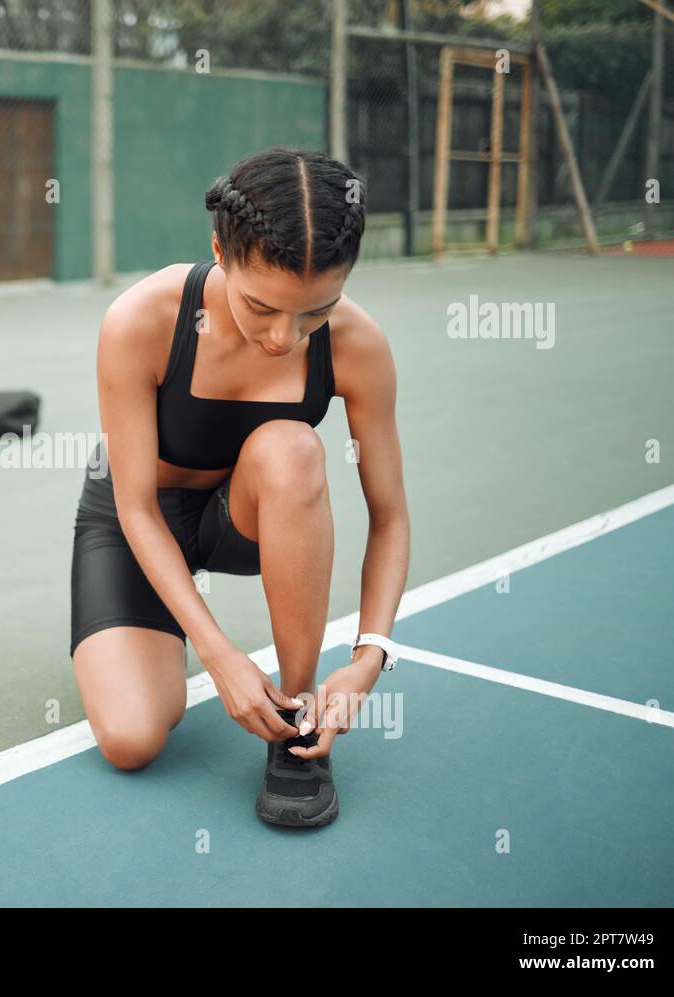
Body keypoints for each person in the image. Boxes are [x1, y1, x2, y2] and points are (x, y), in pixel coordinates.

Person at [69, 148, 410, 827]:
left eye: (316, 312)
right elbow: (135, 506)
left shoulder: (358, 344)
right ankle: (147, 638)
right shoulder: (141, 320)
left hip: (248, 514)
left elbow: (391, 518)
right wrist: (219, 654)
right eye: (263, 307)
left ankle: (299, 715)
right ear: (219, 250)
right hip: (140, 518)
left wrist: (372, 653)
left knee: (291, 446)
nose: (286, 337)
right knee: (132, 739)